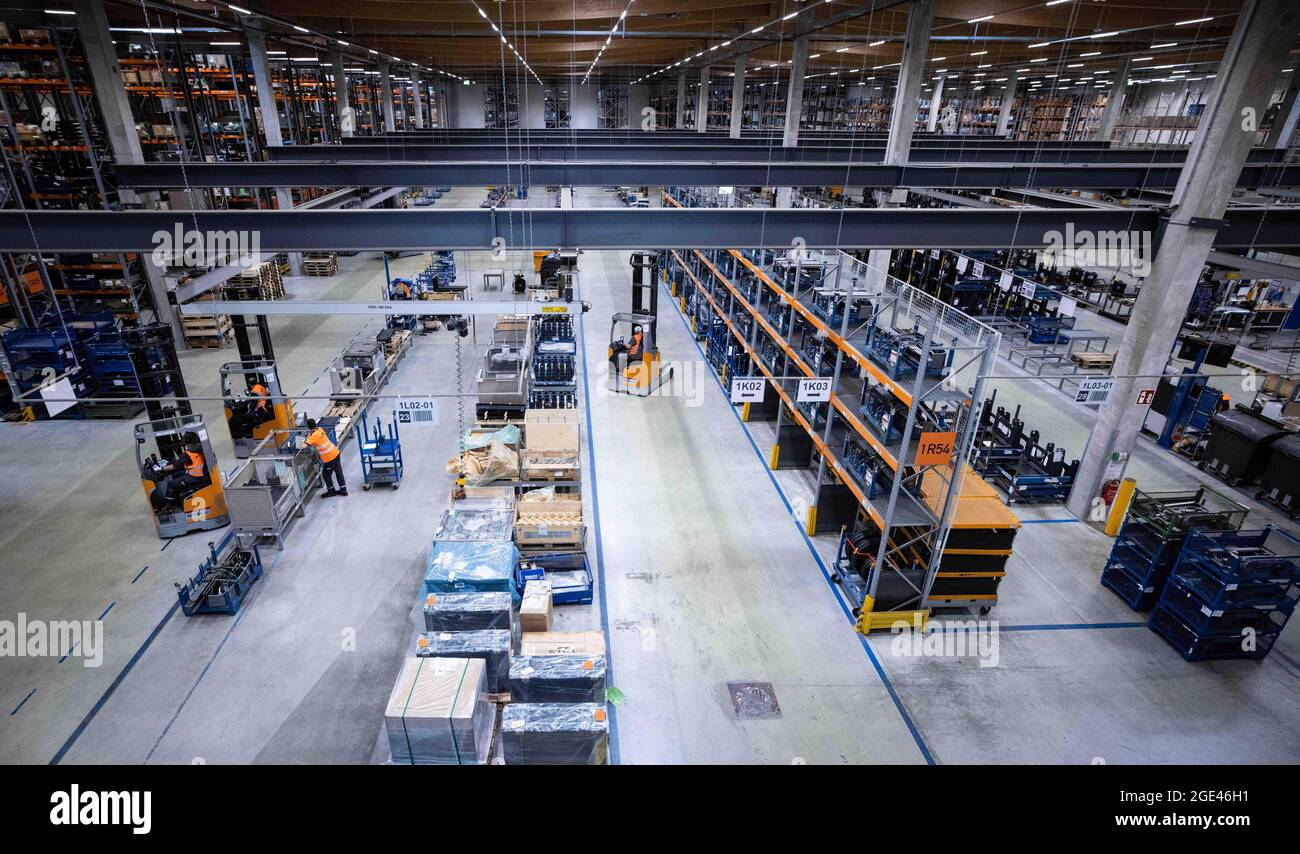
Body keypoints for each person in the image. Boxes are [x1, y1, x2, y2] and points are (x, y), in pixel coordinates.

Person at [150, 437, 207, 511]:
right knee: (174, 475)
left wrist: (161, 468)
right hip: (199, 474)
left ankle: (169, 506)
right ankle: (176, 497)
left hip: (194, 476)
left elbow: (174, 467)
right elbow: (182, 462)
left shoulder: (187, 454)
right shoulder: (200, 449)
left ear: (187, 444)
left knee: (171, 484)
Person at [304, 418, 347, 497]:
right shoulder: (320, 429)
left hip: (329, 458)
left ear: (308, 427)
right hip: (335, 452)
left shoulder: (313, 436)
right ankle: (343, 489)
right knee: (338, 472)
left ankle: (331, 491)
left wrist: (306, 438)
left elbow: (303, 446)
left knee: (326, 475)